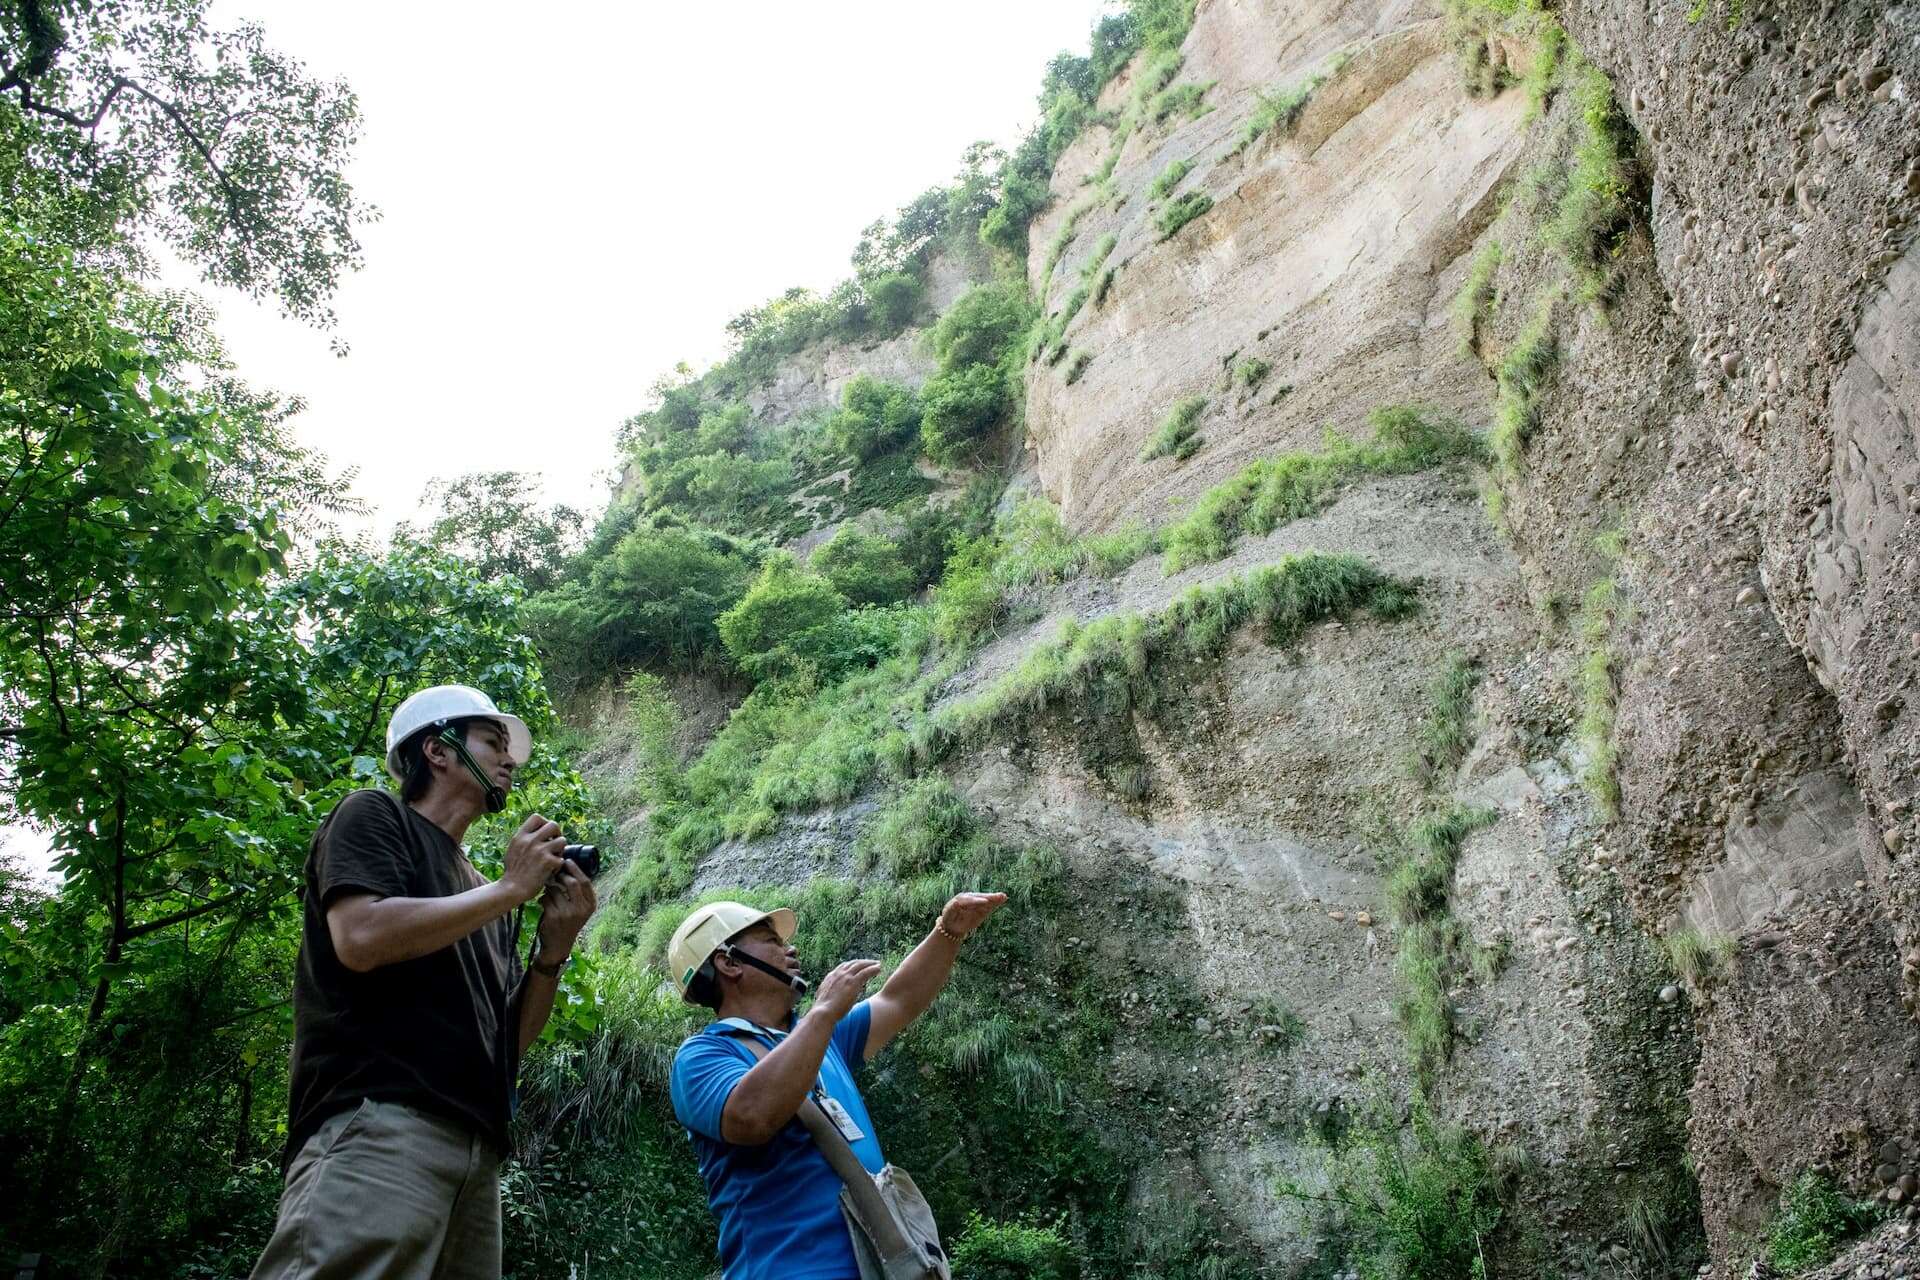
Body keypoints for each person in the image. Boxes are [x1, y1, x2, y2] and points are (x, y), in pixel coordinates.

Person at [250, 683, 598, 1280]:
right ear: (437, 751)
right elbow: (360, 938)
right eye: (493, 742)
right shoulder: (374, 814)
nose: (510, 759)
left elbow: (506, 1045)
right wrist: (510, 891)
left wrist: (551, 954)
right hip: (376, 1125)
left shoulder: (482, 892)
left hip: (476, 1154)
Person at [667, 891, 1008, 1280]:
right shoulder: (703, 1055)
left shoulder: (819, 1038)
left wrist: (947, 931)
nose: (790, 950)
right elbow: (751, 1116)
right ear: (728, 963)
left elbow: (898, 1000)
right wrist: (824, 1011)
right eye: (771, 941)